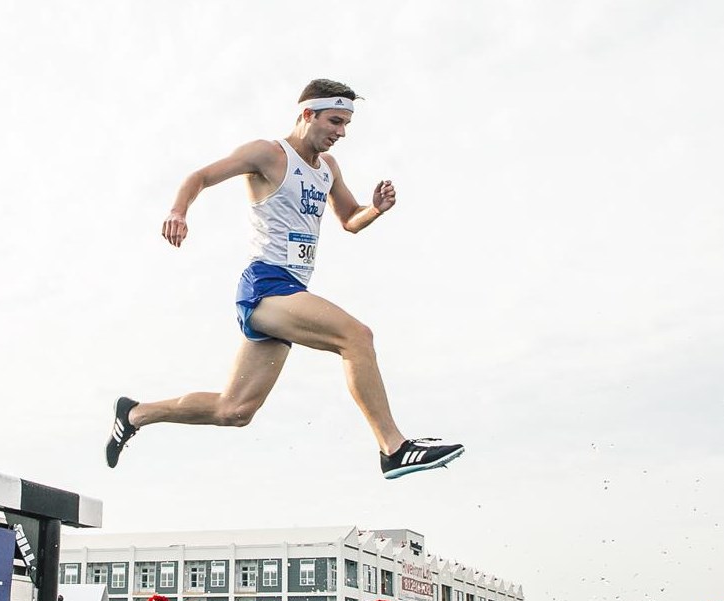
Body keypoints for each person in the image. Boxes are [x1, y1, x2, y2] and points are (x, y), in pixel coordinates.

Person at [106, 78, 463, 479]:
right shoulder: (268, 154)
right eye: (334, 121)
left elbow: (349, 220)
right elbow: (200, 177)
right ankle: (393, 448)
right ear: (308, 114)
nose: (340, 133)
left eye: (346, 125)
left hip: (291, 293)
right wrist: (178, 211)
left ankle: (136, 413)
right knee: (356, 336)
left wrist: (375, 209)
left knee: (235, 410)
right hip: (265, 285)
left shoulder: (327, 168)